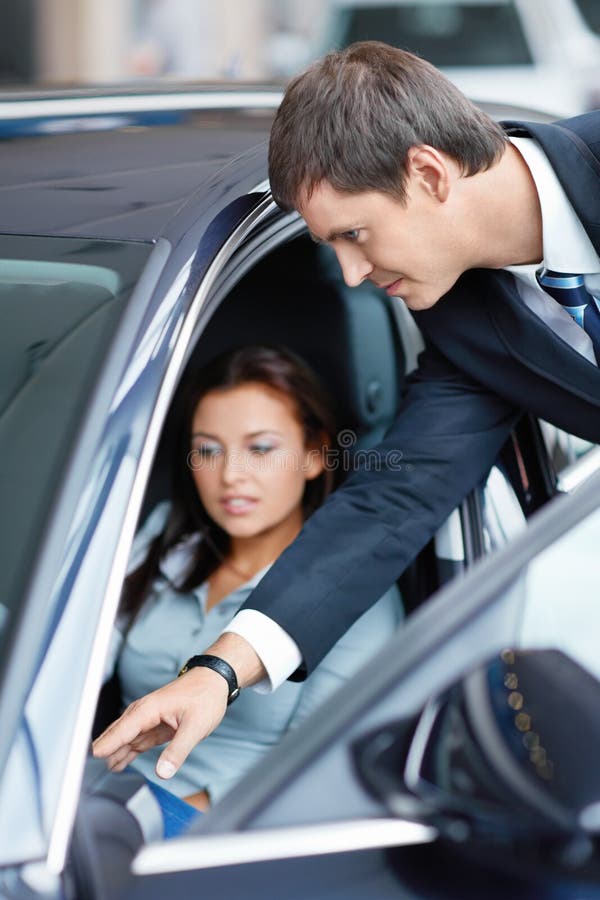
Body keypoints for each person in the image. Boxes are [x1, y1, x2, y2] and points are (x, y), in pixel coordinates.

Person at [94, 41, 600, 786]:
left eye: (353, 235)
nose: (354, 275)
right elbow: (394, 499)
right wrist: (217, 673)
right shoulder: (464, 323)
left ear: (428, 173)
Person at [100, 343, 401, 829]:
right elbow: (75, 660)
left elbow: (314, 776)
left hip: (227, 832)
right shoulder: (164, 541)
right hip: (102, 798)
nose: (231, 476)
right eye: (208, 450)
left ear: (314, 455)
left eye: (260, 448)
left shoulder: (357, 599)